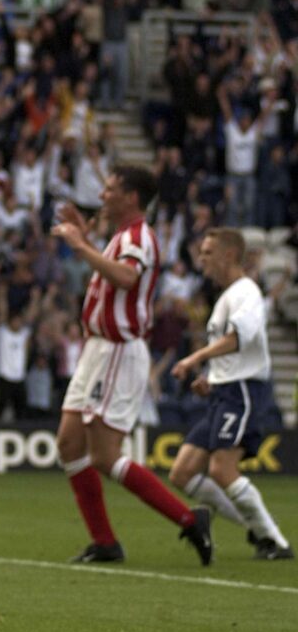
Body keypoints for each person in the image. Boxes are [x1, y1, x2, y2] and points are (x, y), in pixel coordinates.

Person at [50, 165, 212, 565]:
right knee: (69, 443)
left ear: (131, 197)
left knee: (105, 455)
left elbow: (125, 278)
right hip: (98, 350)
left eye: (109, 189)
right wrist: (87, 240)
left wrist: (80, 246)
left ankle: (190, 519)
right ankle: (104, 541)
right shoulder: (122, 237)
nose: (102, 196)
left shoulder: (140, 236)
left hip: (119, 350)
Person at [168, 228, 292, 560]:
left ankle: (276, 541)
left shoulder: (246, 291)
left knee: (223, 469)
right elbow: (230, 350)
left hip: (244, 391)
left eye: (208, 252)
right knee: (181, 473)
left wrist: (195, 358)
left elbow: (239, 338)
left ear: (228, 256)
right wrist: (211, 377)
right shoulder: (226, 296)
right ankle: (259, 529)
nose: (201, 259)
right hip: (225, 390)